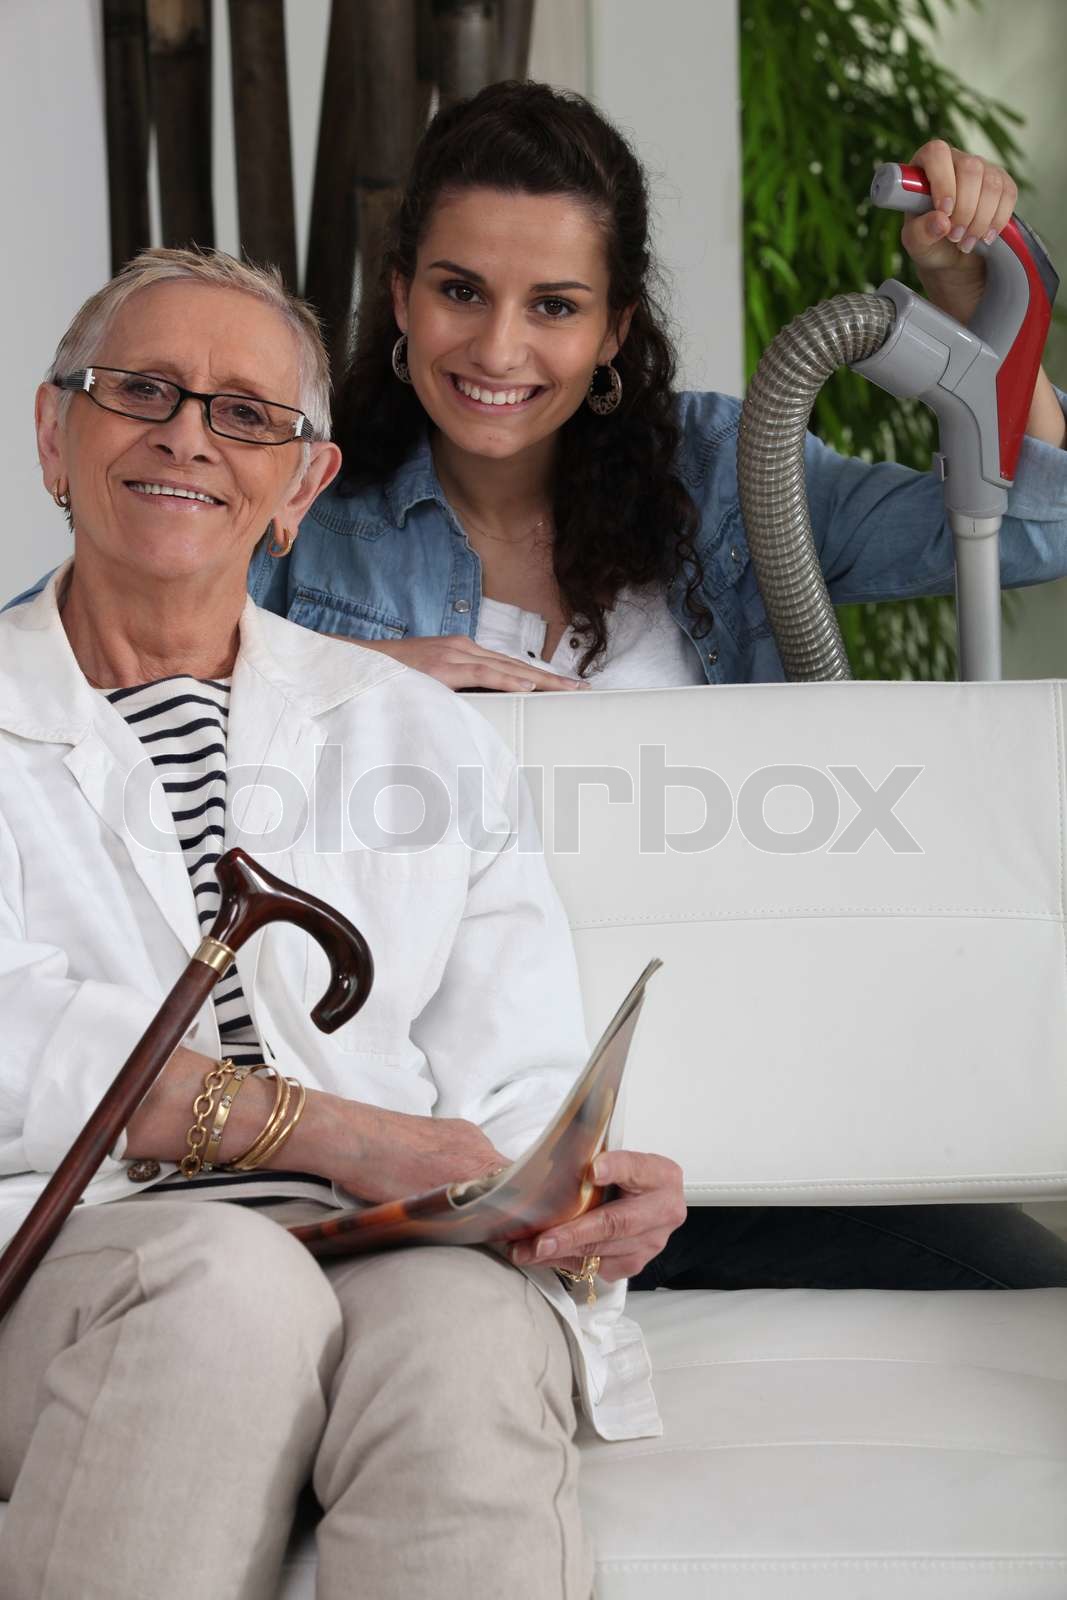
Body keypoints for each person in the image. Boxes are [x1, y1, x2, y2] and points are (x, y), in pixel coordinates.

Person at [248, 80, 1067, 1293]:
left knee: (1015, 1280)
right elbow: (60, 673)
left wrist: (972, 300)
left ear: (616, 326)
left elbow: (1042, 519)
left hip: (746, 1124)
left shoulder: (724, 473)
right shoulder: (301, 506)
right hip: (453, 1146)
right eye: (459, 291)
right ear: (399, 295)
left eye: (556, 306)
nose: (498, 349)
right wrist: (336, 679)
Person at [0, 247, 685, 1600]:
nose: (189, 434)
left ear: (300, 485)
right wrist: (336, 1136)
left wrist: (571, 1194)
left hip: (374, 1243)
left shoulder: (415, 735)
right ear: (54, 435)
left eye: (247, 413)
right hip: (73, 1249)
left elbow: (514, 1078)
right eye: (142, 390)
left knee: (466, 1336)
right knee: (227, 1290)